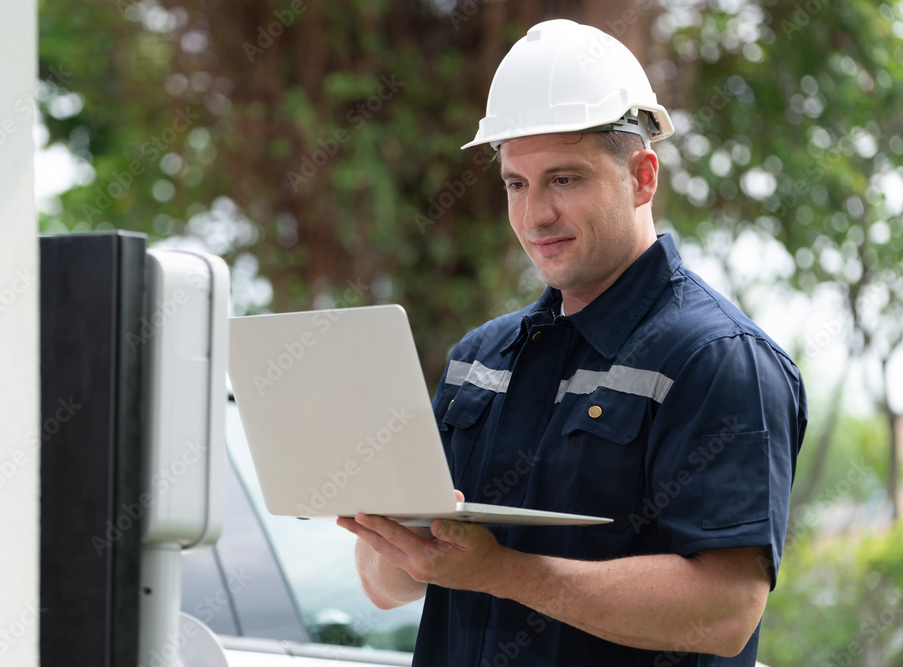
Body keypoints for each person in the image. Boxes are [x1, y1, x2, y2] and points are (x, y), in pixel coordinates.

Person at [337, 18, 806, 666]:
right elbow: (384, 585)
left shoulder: (718, 360)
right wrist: (395, 535)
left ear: (643, 177)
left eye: (565, 179)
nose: (535, 216)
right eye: (516, 183)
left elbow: (725, 609)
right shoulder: (480, 360)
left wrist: (499, 570)